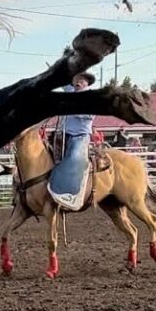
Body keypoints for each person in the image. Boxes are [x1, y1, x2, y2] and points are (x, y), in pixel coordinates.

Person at [47, 72, 96, 210]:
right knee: (46, 157)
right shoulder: (71, 91)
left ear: (87, 82)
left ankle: (71, 194)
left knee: (74, 158)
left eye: (80, 79)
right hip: (63, 135)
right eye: (75, 79)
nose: (77, 81)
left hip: (80, 136)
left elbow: (89, 115)